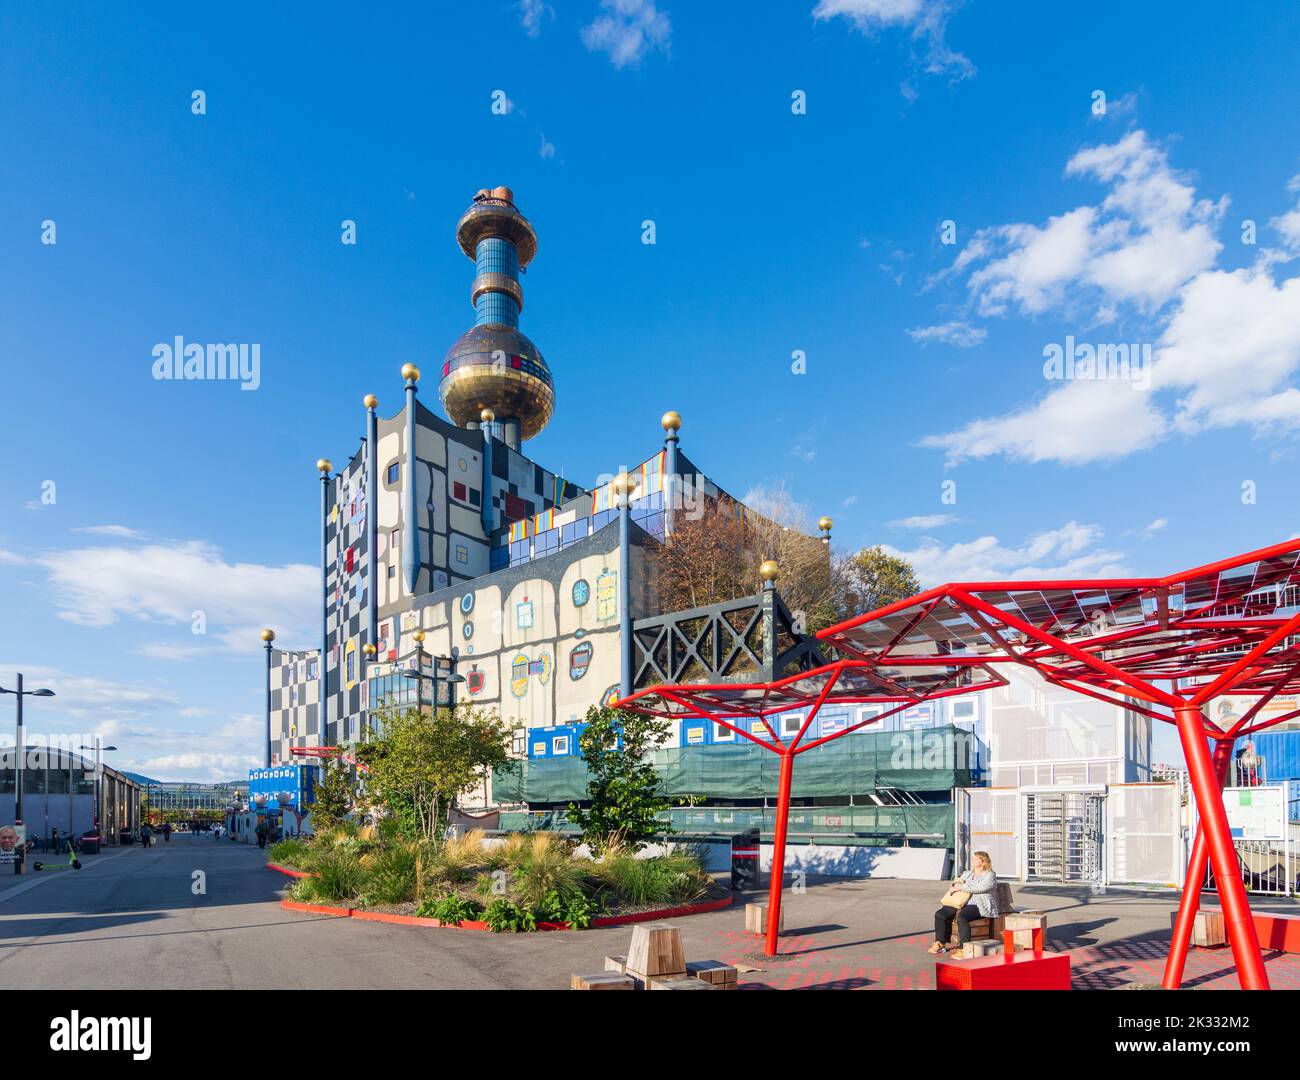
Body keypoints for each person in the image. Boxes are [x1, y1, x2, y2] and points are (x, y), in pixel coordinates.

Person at [931, 850, 1002, 954]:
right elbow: (956, 883)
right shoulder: (967, 873)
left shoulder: (990, 875)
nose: (973, 860)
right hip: (961, 902)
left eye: (976, 859)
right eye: (973, 858)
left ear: (983, 862)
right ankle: (939, 943)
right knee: (940, 914)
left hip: (979, 904)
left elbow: (980, 888)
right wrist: (955, 885)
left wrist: (961, 887)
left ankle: (963, 948)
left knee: (962, 917)